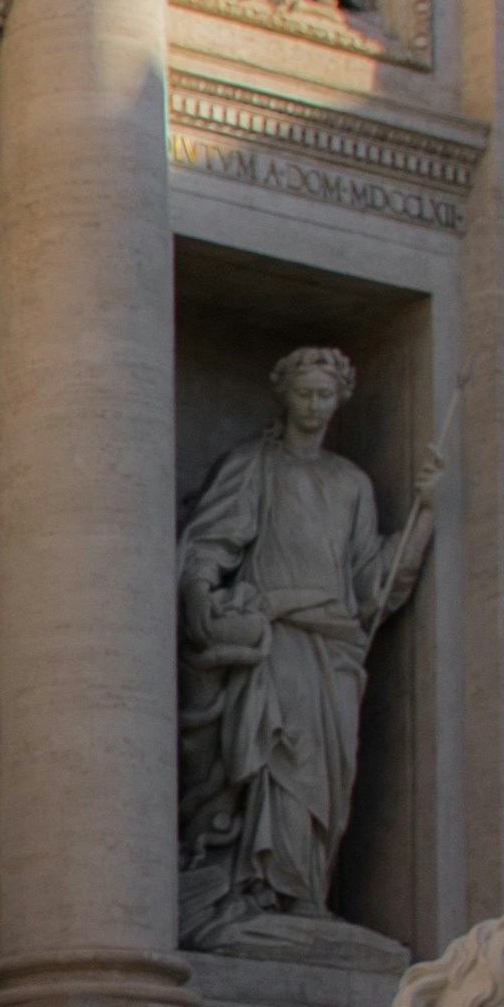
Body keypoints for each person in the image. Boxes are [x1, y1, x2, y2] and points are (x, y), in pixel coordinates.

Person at [175, 345, 439, 947]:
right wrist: (199, 597)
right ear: (285, 395)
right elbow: (210, 543)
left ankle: (306, 890)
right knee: (276, 760)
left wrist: (424, 514)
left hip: (335, 647)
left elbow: (372, 581)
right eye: (305, 393)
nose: (315, 405)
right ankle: (261, 886)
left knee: (326, 774)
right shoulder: (254, 465)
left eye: (326, 395)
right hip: (277, 639)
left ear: (339, 400)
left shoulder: (352, 483)